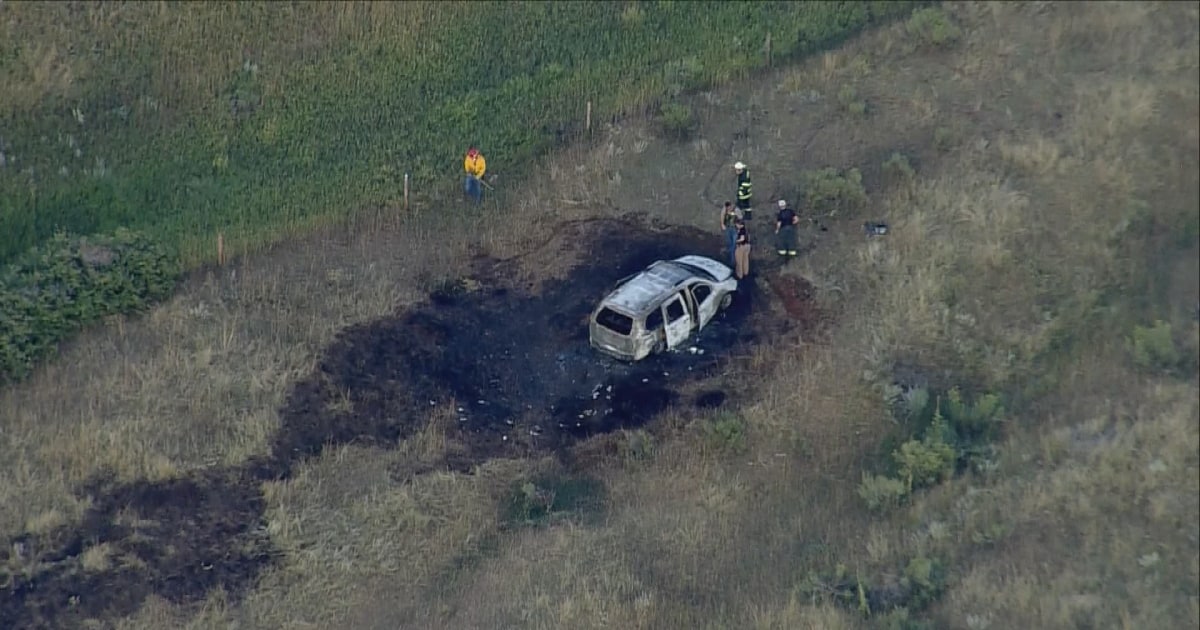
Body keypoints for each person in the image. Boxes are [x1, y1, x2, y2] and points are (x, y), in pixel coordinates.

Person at [719, 200, 739, 268]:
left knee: (733, 245)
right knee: (730, 243)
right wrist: (722, 224)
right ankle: (729, 255)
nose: (729, 208)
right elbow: (722, 216)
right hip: (728, 229)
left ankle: (732, 261)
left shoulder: (736, 210)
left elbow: (739, 218)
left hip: (734, 229)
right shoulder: (724, 210)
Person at [734, 216, 752, 280]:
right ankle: (745, 273)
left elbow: (742, 239)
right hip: (747, 246)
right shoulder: (746, 230)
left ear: (740, 225)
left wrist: (735, 241)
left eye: (737, 224)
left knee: (739, 261)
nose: (736, 225)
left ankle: (739, 275)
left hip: (741, 246)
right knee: (745, 260)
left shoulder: (742, 230)